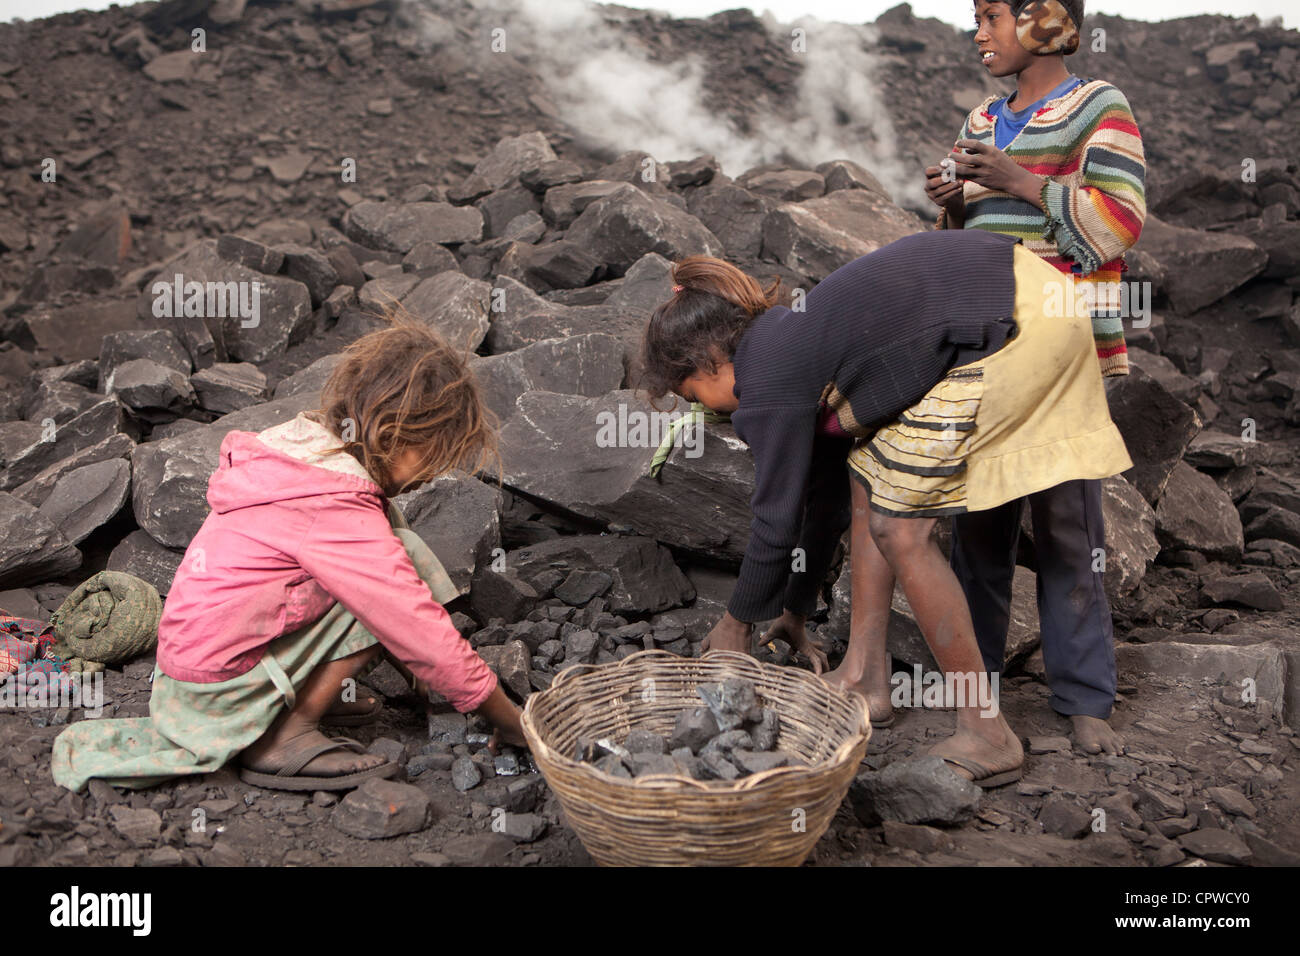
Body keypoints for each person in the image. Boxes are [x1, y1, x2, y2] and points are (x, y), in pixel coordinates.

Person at [639, 228, 1133, 786]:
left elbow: (774, 521)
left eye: (691, 395)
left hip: (1014, 326)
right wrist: (795, 609)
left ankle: (986, 731)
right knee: (869, 477)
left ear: (708, 361)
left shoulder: (767, 377)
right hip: (1038, 300)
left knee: (900, 530)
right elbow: (821, 502)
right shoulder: (790, 345)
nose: (709, 411)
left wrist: (736, 625)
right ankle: (865, 678)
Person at [52, 313, 526, 793]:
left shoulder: (304, 459)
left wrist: (429, 679)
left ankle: (300, 699)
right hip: (217, 696)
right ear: (394, 436)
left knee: (396, 553)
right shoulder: (334, 506)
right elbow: (409, 619)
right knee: (390, 594)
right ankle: (286, 735)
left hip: (184, 680)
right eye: (434, 454)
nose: (435, 472)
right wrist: (508, 719)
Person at [924, 0, 1147, 754]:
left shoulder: (1099, 108)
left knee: (1066, 526)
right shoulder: (981, 122)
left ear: (1045, 20)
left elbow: (1117, 223)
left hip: (1062, 357)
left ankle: (1084, 698)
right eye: (975, 17)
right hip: (986, 353)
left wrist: (1022, 182)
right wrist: (952, 208)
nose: (978, 32)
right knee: (979, 527)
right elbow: (965, 245)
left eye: (992, 15)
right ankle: (978, 695)